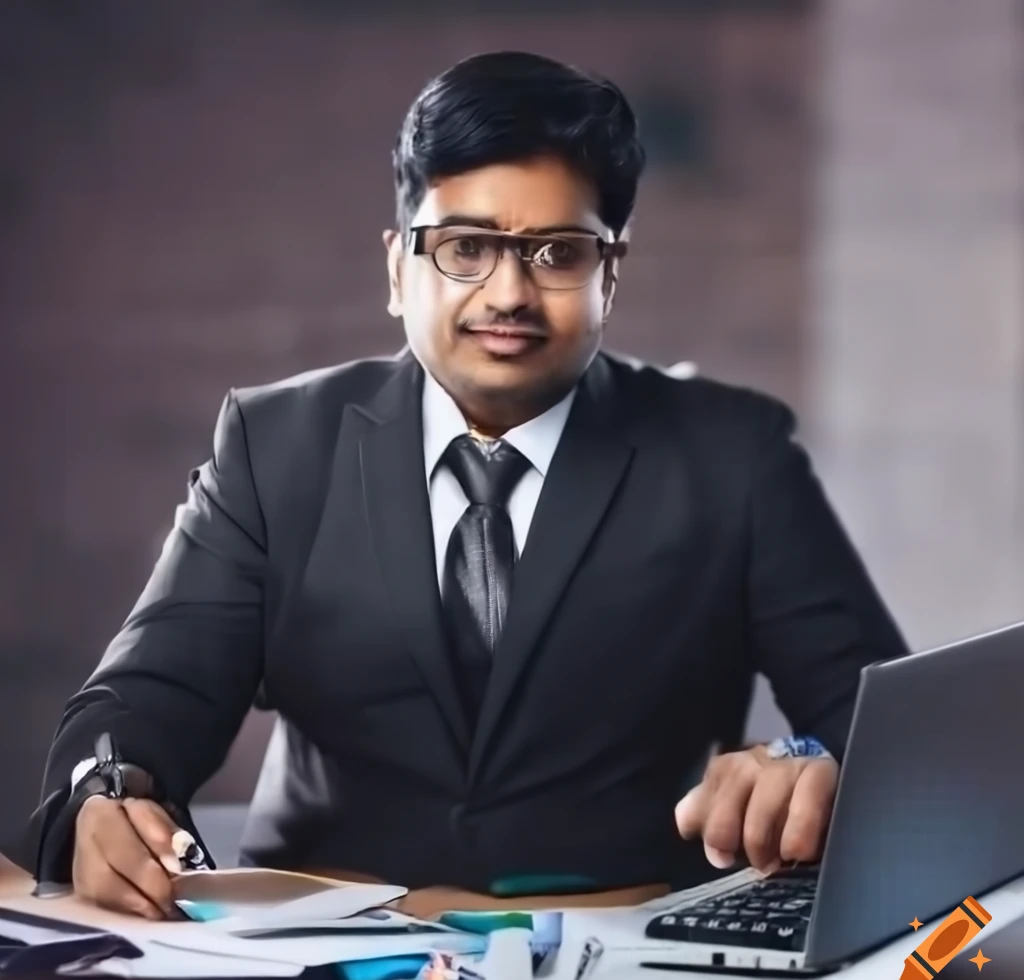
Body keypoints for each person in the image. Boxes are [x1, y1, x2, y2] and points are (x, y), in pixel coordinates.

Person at [16, 51, 906, 920]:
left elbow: (887, 729)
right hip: (321, 953)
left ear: (611, 276)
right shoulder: (274, 445)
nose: (509, 291)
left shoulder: (732, 453)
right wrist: (109, 792)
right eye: (466, 247)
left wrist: (805, 760)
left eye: (558, 252)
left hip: (631, 952)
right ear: (399, 269)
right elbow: (148, 696)